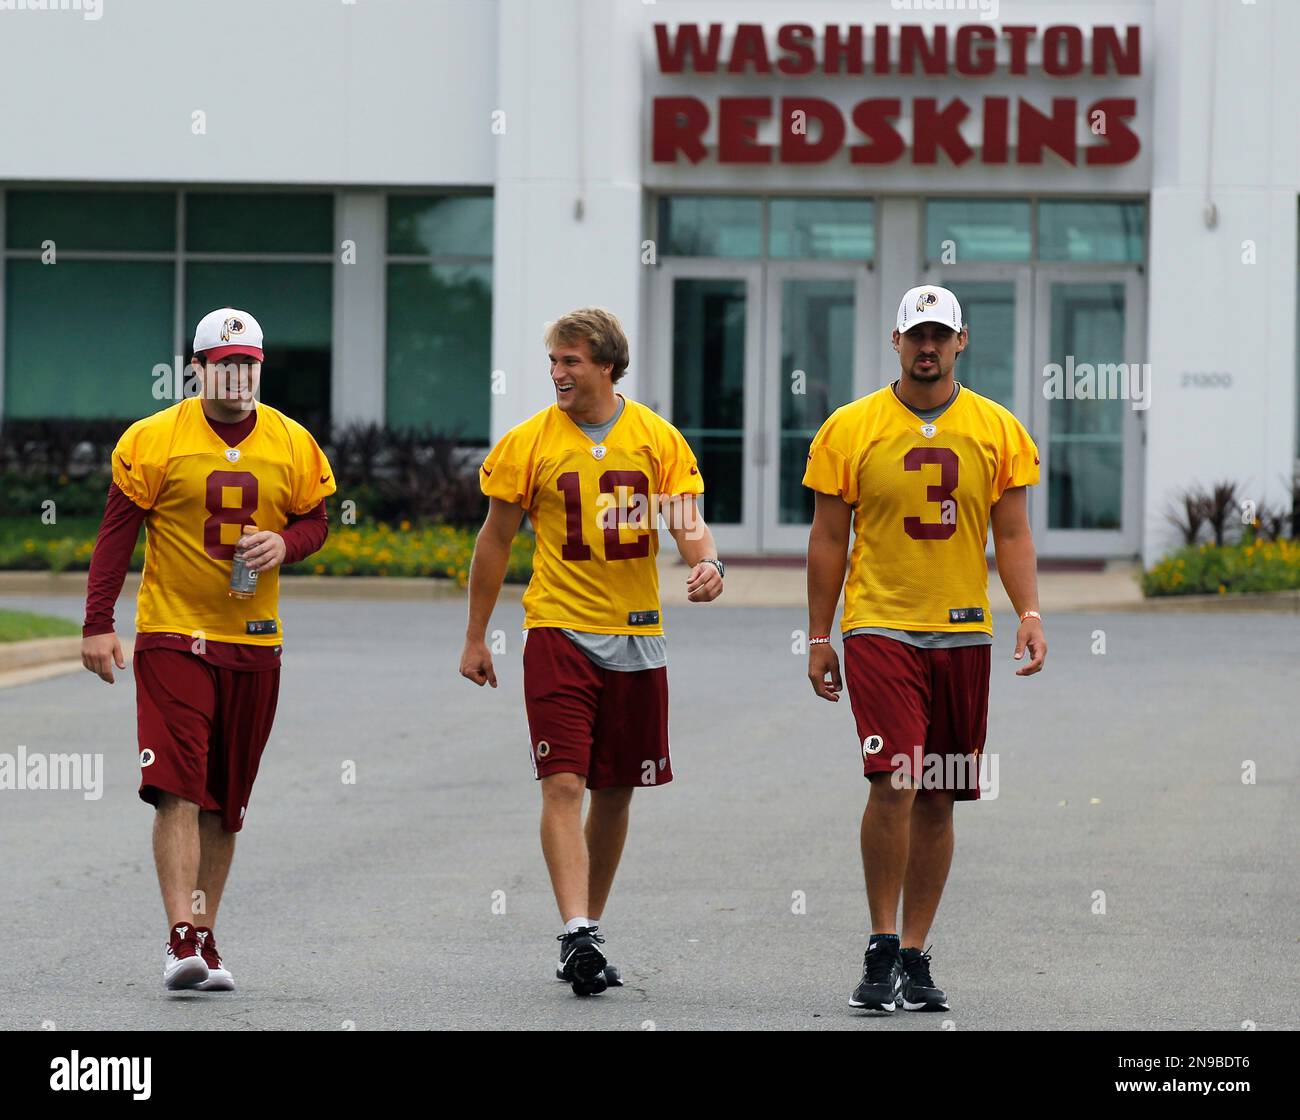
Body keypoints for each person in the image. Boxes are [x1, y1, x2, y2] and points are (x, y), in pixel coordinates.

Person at [459, 307, 723, 996]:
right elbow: (495, 540)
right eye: (553, 361)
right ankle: (574, 928)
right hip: (558, 629)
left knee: (615, 789)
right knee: (564, 783)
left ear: (607, 365)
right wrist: (476, 635)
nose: (557, 373)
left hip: (635, 635)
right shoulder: (528, 443)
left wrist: (707, 562)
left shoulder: (656, 438)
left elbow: (686, 517)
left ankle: (589, 929)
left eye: (571, 361)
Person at [803, 284, 1046, 1014]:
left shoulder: (998, 429)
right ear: (896, 341)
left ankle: (915, 949)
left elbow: (1012, 534)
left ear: (963, 340)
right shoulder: (850, 428)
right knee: (894, 780)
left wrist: (1028, 612)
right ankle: (880, 944)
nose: (928, 347)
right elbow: (826, 539)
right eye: (917, 336)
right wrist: (820, 635)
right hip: (880, 625)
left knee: (938, 792)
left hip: (964, 629)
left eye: (941, 335)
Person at [81, 308, 335, 991]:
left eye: (247, 363)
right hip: (173, 635)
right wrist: (97, 621)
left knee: (225, 803)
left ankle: (204, 935)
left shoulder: (292, 442)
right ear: (196, 368)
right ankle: (180, 939)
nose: (237, 375)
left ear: (260, 366)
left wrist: (286, 544)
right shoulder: (155, 439)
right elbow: (116, 536)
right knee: (177, 789)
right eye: (223, 363)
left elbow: (316, 520)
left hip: (254, 640)